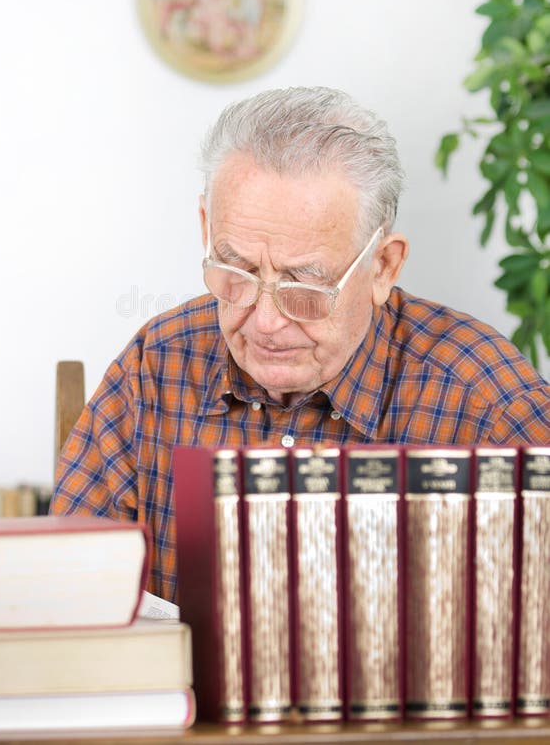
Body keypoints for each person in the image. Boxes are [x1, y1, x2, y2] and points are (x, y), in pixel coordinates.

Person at [50, 86, 550, 602]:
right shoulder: (155, 365)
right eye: (237, 271)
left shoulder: (487, 403)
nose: (265, 322)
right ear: (206, 229)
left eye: (305, 287)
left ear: (382, 266)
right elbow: (64, 602)